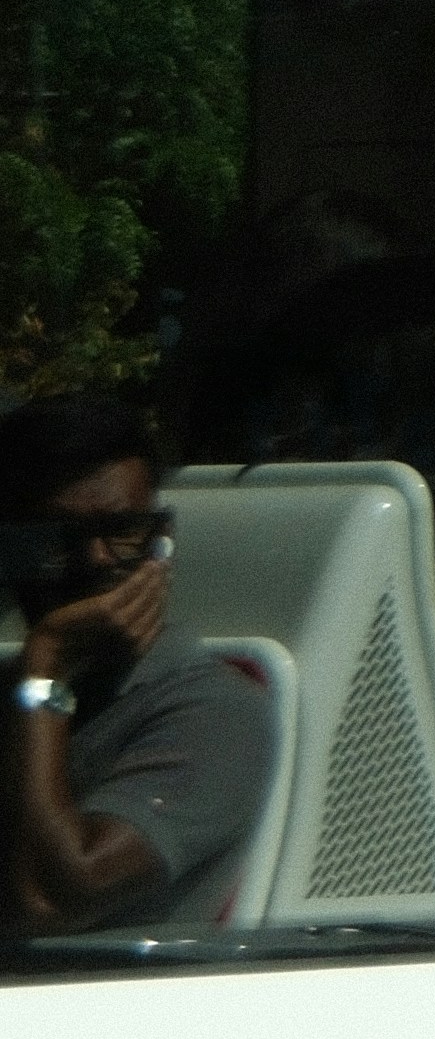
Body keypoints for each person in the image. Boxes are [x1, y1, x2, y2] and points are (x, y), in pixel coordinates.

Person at [6, 389, 276, 940]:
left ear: (162, 542)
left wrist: (47, 672)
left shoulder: (214, 711)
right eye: (62, 537)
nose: (97, 560)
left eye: (125, 530)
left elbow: (51, 896)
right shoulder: (15, 695)